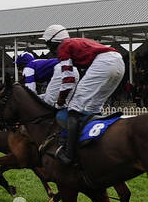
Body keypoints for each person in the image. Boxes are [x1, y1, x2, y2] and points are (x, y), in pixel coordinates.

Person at [42, 24, 126, 165]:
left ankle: (69, 154)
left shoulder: (63, 46)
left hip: (104, 63)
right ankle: (95, 145)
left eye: (47, 43)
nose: (48, 48)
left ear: (52, 41)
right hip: (119, 62)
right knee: (94, 107)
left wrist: (60, 102)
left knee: (74, 108)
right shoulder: (74, 43)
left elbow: (68, 80)